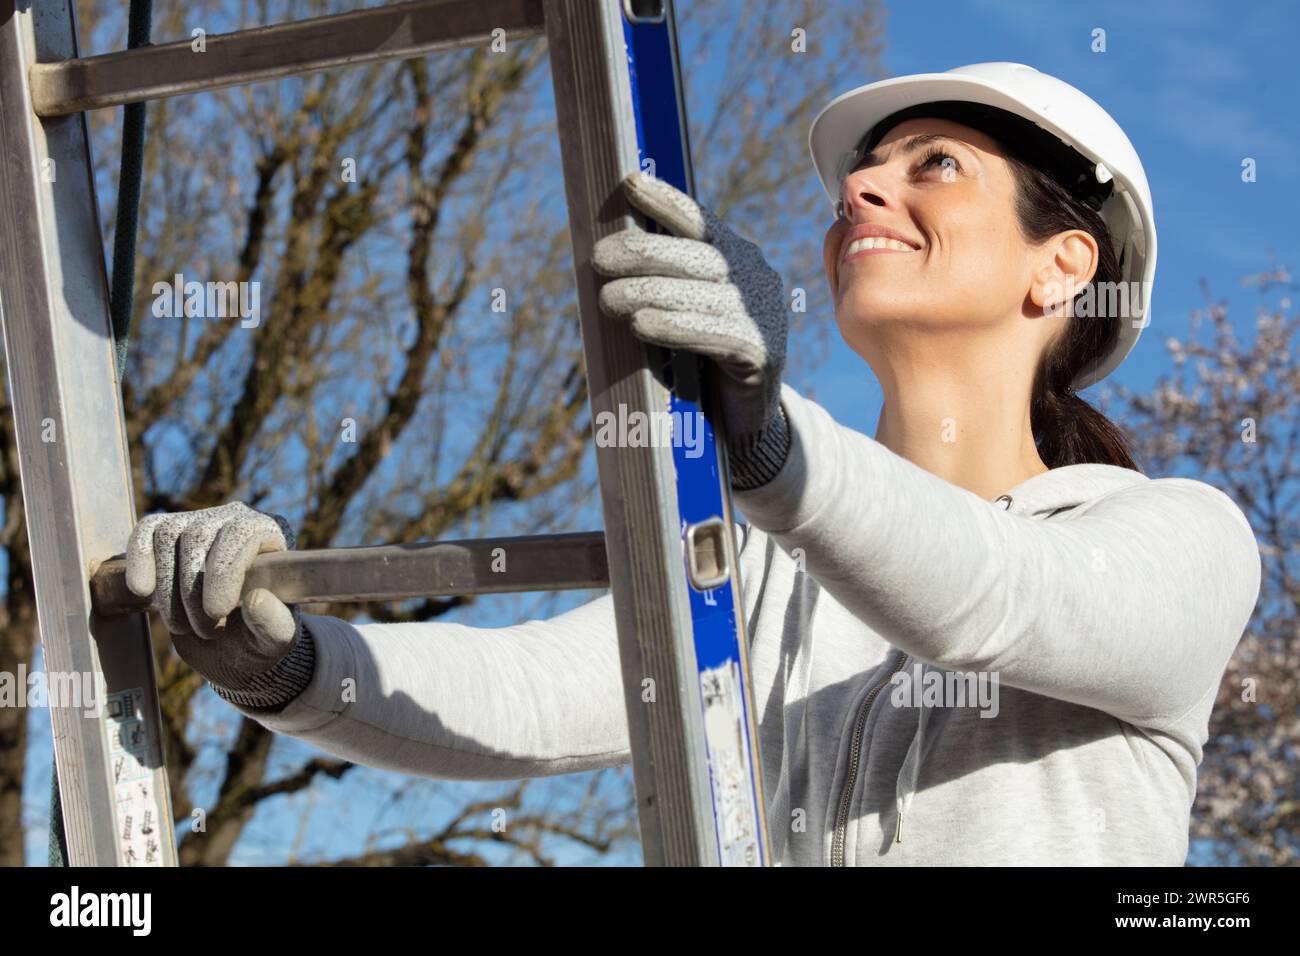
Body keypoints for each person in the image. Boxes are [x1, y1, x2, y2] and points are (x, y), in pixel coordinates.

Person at [125, 63, 1260, 865]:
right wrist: (286, 656)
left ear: (1062, 264)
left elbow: (998, 596)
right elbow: (524, 692)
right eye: (857, 176)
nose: (862, 189)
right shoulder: (758, 568)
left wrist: (771, 440)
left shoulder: (1182, 536)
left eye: (934, 165)